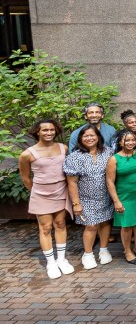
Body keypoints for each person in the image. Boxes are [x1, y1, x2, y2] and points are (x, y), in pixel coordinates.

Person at [20, 119, 73, 279]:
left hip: (61, 190)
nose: (49, 133)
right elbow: (25, 178)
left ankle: (62, 259)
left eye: (51, 130)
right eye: (45, 130)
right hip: (41, 194)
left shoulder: (63, 148)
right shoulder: (27, 154)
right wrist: (37, 191)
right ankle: (50, 262)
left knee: (60, 224)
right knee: (45, 228)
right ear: (37, 132)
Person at [63, 126, 114, 270]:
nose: (89, 138)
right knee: (91, 226)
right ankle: (88, 254)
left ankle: (104, 250)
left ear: (98, 137)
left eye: (92, 135)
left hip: (105, 196)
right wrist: (76, 203)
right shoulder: (75, 157)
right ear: (80, 139)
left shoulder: (108, 152)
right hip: (85, 198)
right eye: (85, 136)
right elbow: (71, 182)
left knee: (105, 222)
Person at [106, 129, 136, 264]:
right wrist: (116, 201)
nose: (130, 142)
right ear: (120, 142)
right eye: (127, 140)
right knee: (127, 224)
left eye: (133, 140)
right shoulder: (114, 159)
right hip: (125, 196)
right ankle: (127, 250)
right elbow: (110, 182)